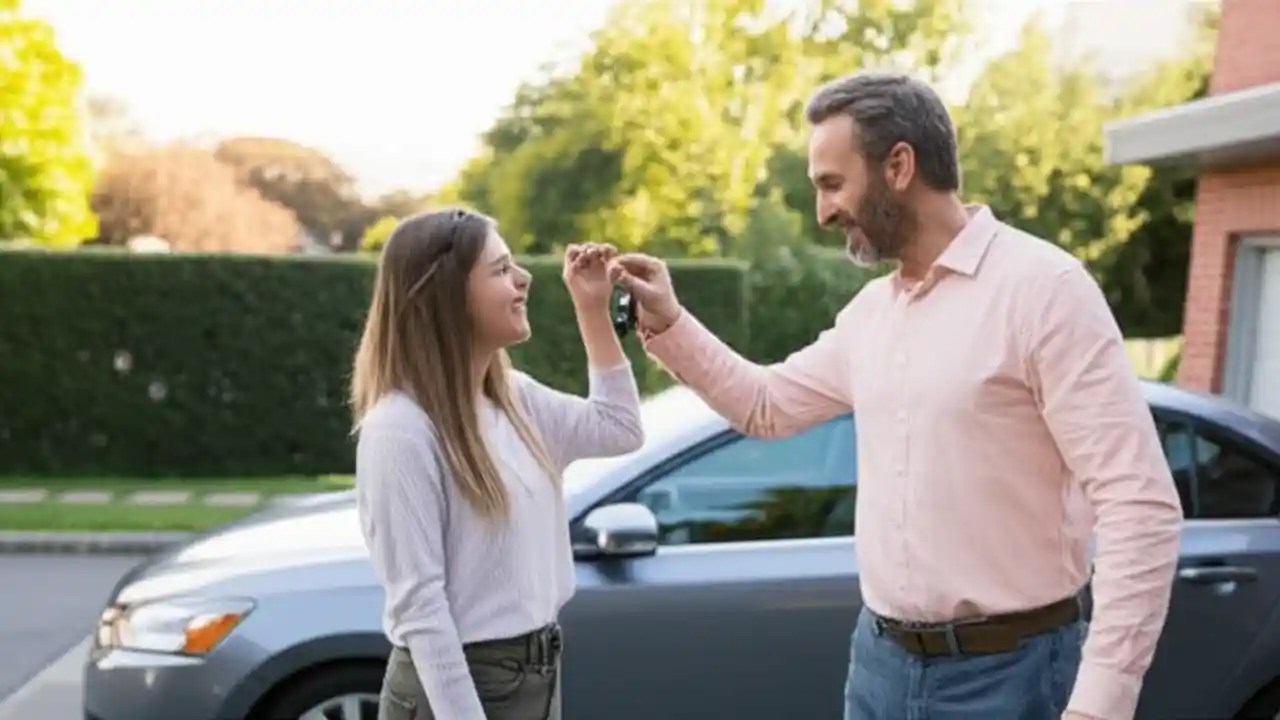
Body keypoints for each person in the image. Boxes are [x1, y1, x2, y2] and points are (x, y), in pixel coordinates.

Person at [608, 71, 1182, 720]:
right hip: (879, 666)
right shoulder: (871, 314)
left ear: (900, 166)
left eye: (832, 184)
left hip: (1012, 678)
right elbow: (765, 406)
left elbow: (1139, 502)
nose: (823, 211)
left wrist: (1101, 703)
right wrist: (669, 323)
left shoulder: (1044, 290)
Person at [350, 208, 645, 720]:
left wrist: (594, 311)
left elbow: (621, 427)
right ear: (446, 296)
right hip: (458, 688)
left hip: (537, 670)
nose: (524, 279)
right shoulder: (399, 429)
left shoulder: (514, 398)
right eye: (500, 269)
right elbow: (421, 607)